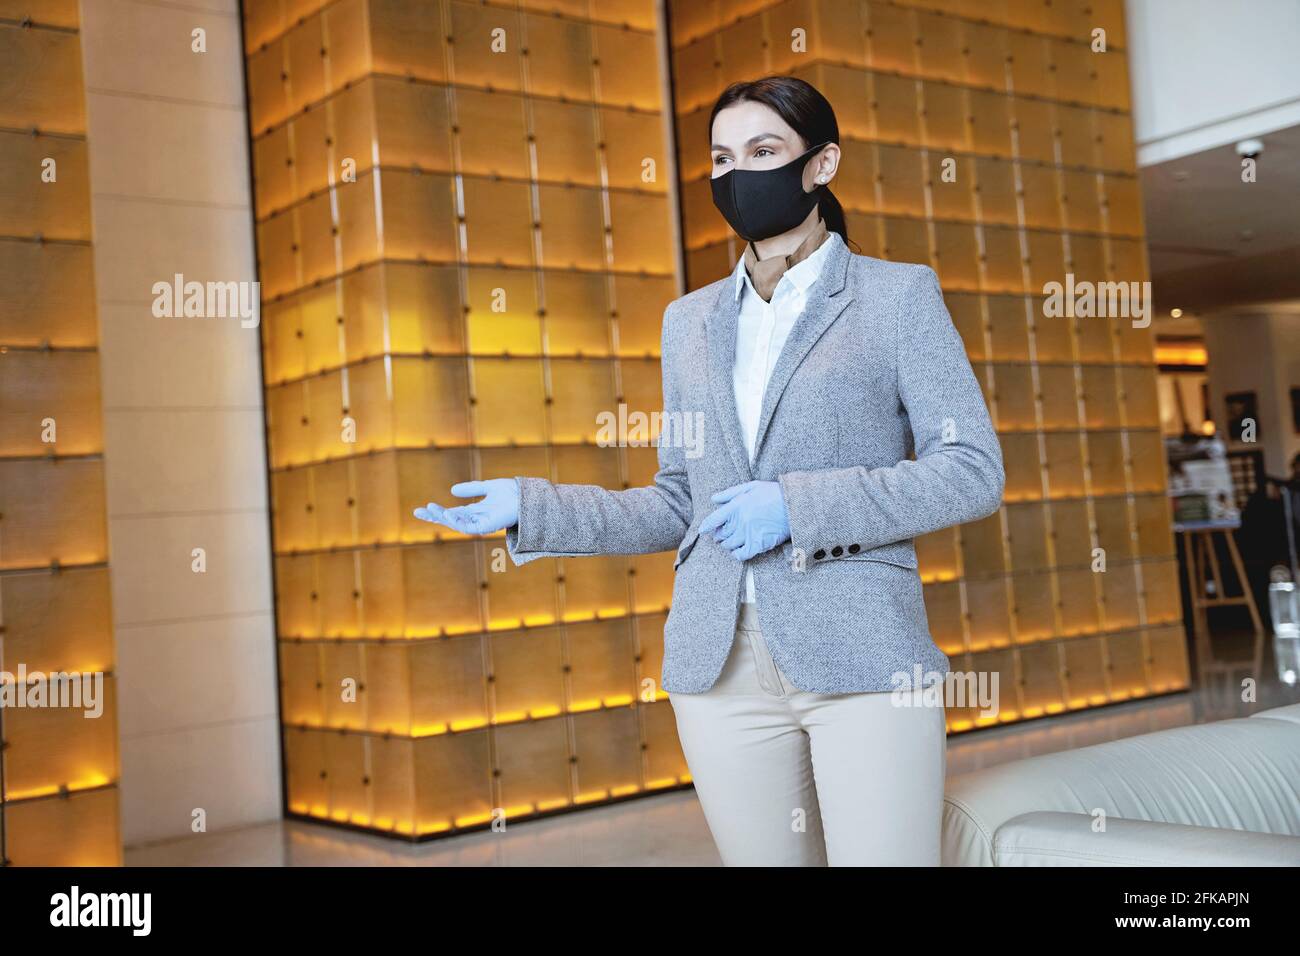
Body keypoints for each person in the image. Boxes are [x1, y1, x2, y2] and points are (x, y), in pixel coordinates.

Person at [415, 75, 1004, 866]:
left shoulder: (897, 298)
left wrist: (797, 505)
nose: (739, 175)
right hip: (717, 665)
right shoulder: (688, 321)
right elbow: (677, 501)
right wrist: (534, 507)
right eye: (723, 158)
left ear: (821, 164)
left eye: (764, 151)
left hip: (861, 656)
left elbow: (970, 469)